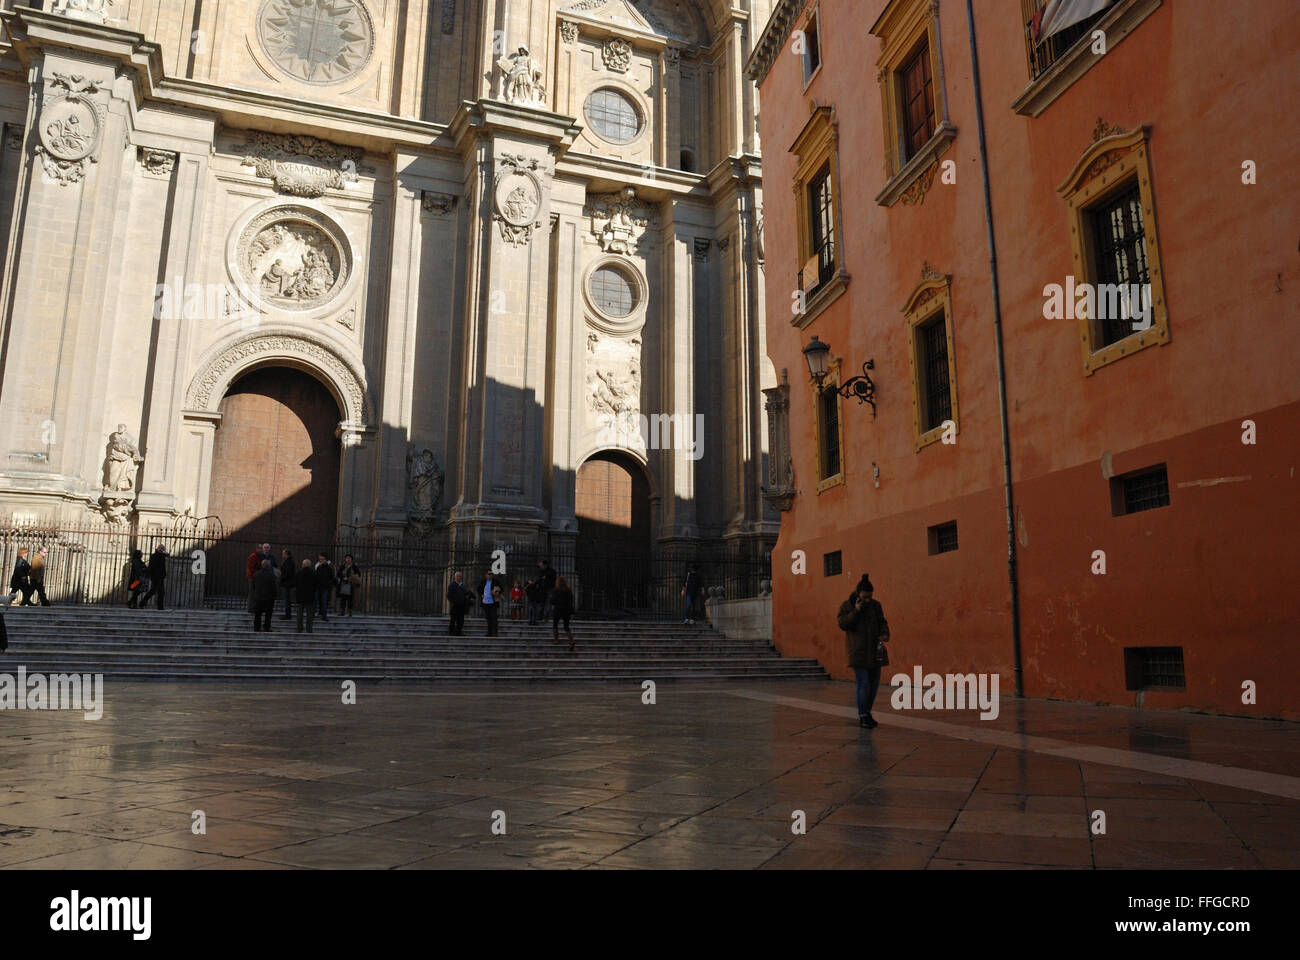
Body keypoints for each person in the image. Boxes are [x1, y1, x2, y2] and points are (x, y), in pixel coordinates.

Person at [837, 574, 890, 729]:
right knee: (864, 683)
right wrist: (856, 611)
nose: (867, 600)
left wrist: (885, 633)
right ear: (858, 593)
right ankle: (862, 716)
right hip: (857, 652)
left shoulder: (876, 605)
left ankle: (867, 712)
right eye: (865, 597)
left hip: (875, 651)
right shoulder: (847, 605)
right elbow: (842, 623)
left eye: (869, 597)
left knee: (873, 685)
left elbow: (882, 622)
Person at [251, 558, 278, 632]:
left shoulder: (256, 574)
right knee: (268, 614)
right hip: (268, 598)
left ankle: (256, 627)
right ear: (268, 566)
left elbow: (253, 585)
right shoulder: (271, 575)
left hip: (258, 597)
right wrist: (275, 595)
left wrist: (256, 593)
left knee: (257, 614)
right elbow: (273, 586)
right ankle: (266, 627)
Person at [551, 575, 575, 652]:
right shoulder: (568, 590)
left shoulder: (556, 590)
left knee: (555, 624)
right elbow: (571, 600)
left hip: (558, 609)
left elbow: (553, 600)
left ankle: (556, 640)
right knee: (566, 626)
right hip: (567, 610)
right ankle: (571, 641)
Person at [141, 544, 168, 610]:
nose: (162, 550)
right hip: (157, 577)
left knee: (154, 591)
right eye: (161, 549)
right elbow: (152, 566)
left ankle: (142, 603)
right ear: (158, 548)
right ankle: (159, 607)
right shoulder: (157, 556)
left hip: (158, 577)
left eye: (163, 549)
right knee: (159, 592)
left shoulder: (159, 556)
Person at [294, 558, 317, 633]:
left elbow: (295, 583)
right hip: (310, 596)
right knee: (310, 614)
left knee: (299, 614)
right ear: (310, 565)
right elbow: (316, 584)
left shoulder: (298, 573)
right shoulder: (314, 573)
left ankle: (299, 628)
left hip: (300, 596)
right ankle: (309, 629)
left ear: (303, 565)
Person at [446, 571, 470, 636]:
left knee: (461, 620)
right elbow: (449, 595)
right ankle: (451, 632)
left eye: (460, 576)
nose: (459, 577)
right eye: (458, 576)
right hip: (455, 605)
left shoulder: (463, 585)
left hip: (462, 605)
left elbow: (466, 594)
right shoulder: (452, 585)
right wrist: (453, 602)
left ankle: (459, 632)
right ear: (455, 577)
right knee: (453, 619)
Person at [478, 570, 501, 637]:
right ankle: (489, 632)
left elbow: (501, 589)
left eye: (491, 574)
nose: (490, 575)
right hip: (485, 602)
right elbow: (478, 589)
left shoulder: (496, 581)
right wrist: (481, 594)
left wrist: (496, 592)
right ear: (486, 575)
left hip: (493, 602)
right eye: (489, 574)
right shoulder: (483, 581)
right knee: (488, 618)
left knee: (494, 618)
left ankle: (495, 633)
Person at [314, 553, 336, 621]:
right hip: (318, 586)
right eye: (320, 559)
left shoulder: (329, 568)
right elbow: (316, 577)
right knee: (317, 600)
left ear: (326, 560)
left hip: (325, 587)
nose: (321, 561)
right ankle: (317, 613)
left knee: (324, 601)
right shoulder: (318, 567)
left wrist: (328, 583)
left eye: (322, 559)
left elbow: (332, 577)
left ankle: (324, 615)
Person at [279, 549, 295, 620]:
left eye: (283, 553)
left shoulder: (289, 562)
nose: (282, 555)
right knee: (287, 599)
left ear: (286, 554)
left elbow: (287, 573)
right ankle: (287, 614)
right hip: (287, 583)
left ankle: (287, 614)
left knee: (287, 600)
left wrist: (281, 578)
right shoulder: (289, 561)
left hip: (286, 583)